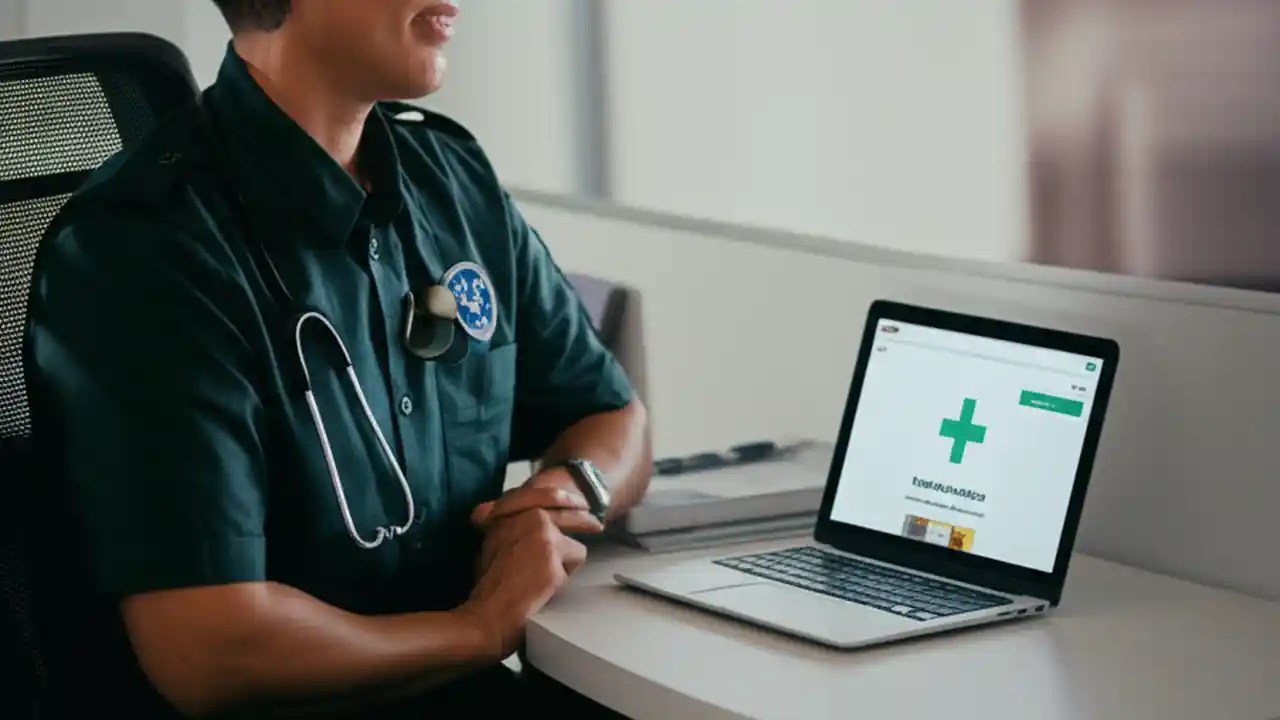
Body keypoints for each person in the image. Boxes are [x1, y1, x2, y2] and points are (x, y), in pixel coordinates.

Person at [22, 0, 650, 717]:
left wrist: (563, 497)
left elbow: (612, 412)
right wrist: (477, 629)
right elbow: (208, 651)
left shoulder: (450, 177)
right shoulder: (143, 248)